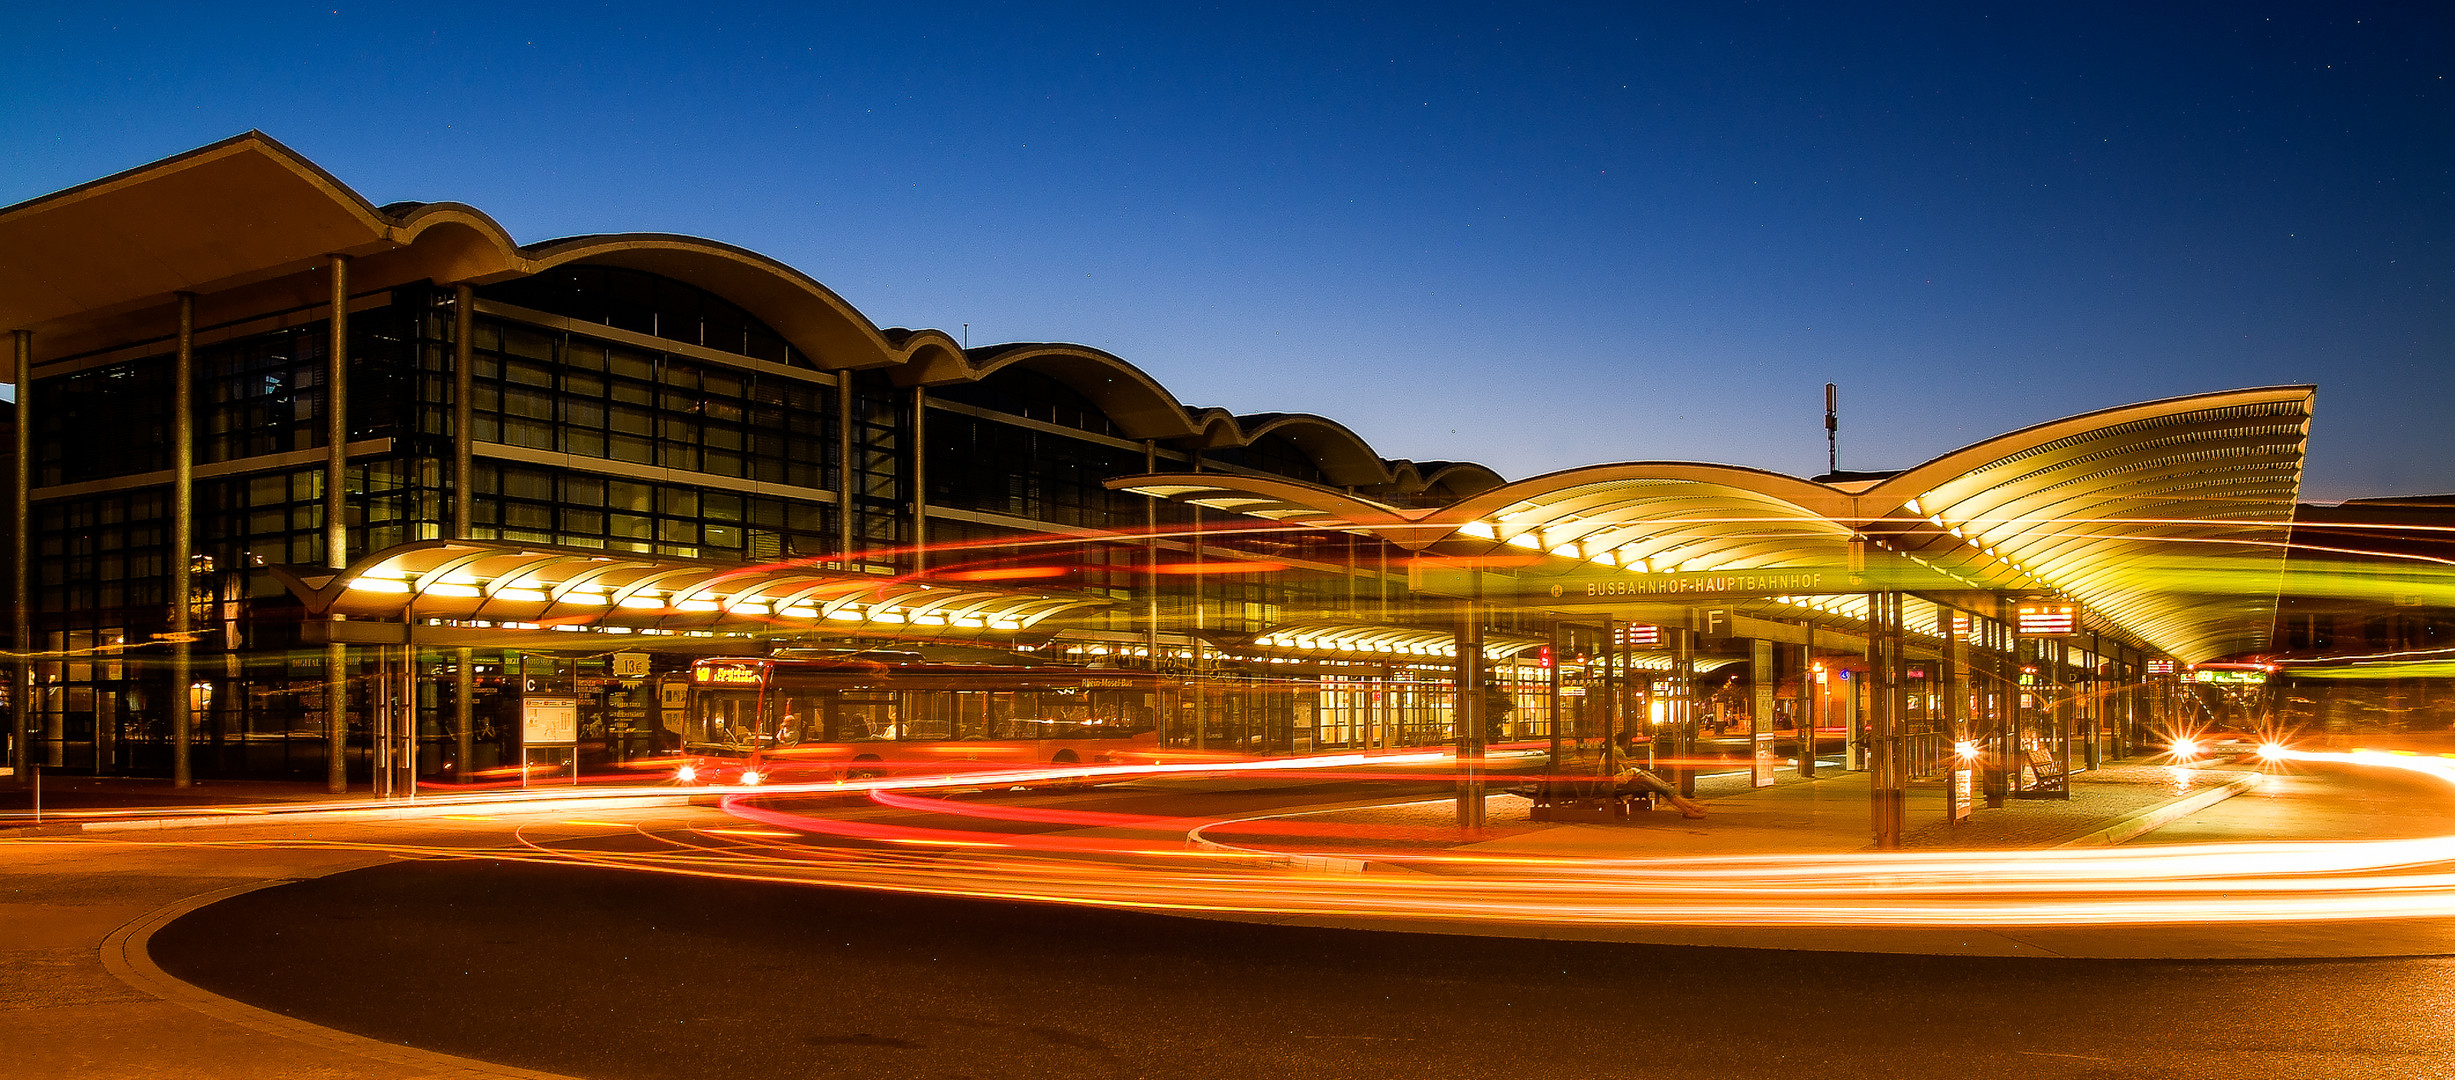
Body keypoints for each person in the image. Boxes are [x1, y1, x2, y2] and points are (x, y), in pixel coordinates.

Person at [1614, 761, 1708, 819]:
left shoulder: (1612, 753)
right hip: (1635, 777)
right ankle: (1689, 810)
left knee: (1666, 787)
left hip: (1636, 774)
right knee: (1665, 789)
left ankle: (1691, 807)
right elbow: (1621, 777)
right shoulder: (1614, 752)